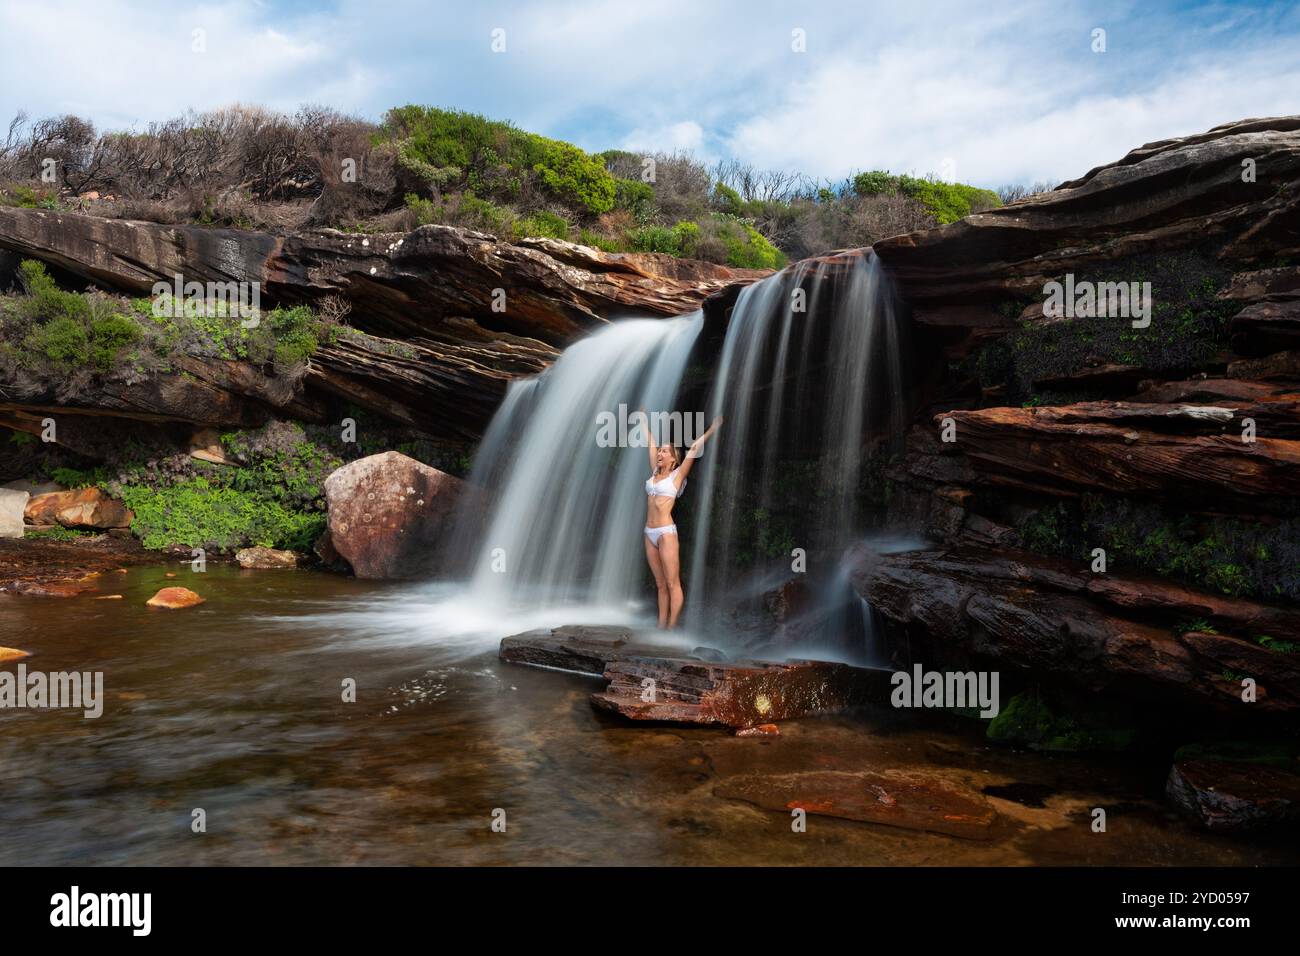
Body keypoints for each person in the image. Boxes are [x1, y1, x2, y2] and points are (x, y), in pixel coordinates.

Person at [640, 410, 723, 629]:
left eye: (664, 451)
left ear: (673, 458)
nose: (659, 453)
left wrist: (712, 429)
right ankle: (660, 627)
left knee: (672, 582)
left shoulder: (676, 476)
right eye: (660, 450)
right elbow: (650, 443)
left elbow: (694, 449)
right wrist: (643, 421)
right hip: (649, 533)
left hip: (666, 533)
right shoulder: (653, 474)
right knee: (660, 584)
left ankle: (672, 626)